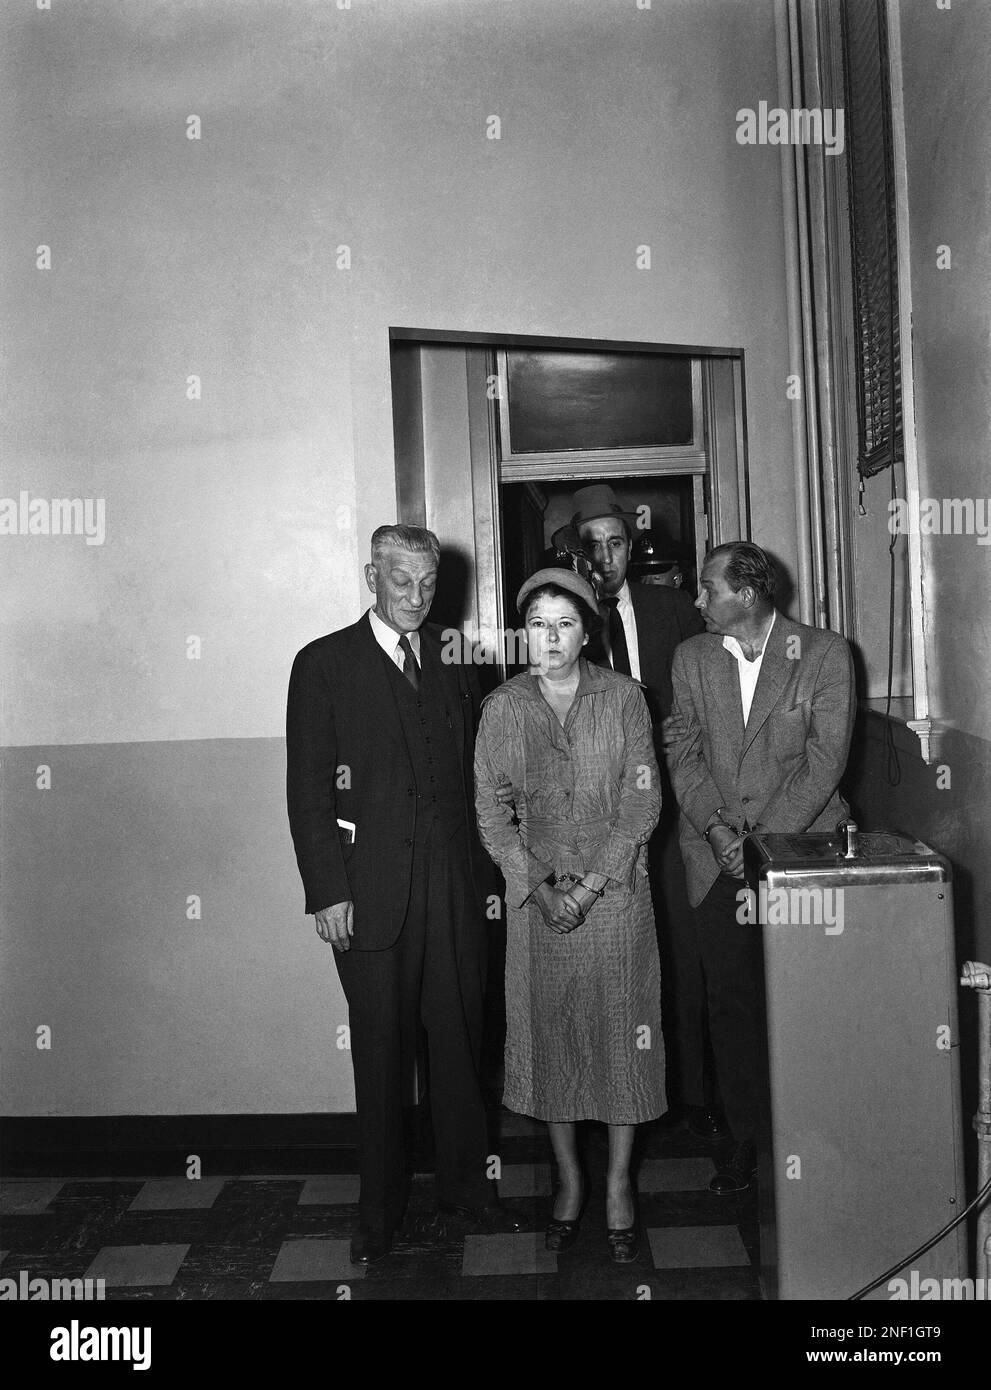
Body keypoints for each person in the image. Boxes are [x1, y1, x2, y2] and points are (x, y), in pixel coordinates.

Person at [286, 524, 521, 1263]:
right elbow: (307, 790)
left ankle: (468, 1191)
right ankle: (378, 1214)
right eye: (400, 583)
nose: (416, 598)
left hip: (455, 890)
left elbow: (478, 778)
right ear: (370, 576)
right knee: (381, 1054)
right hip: (367, 894)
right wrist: (327, 892)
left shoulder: (458, 661)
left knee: (460, 1043)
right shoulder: (322, 664)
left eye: (427, 584)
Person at [474, 568, 664, 1263]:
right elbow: (490, 814)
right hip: (535, 902)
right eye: (536, 624)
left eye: (563, 624)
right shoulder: (502, 708)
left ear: (587, 632)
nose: (549, 639)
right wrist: (537, 886)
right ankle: (569, 1180)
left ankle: (617, 1185)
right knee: (550, 1038)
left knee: (619, 1039)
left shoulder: (624, 700)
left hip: (613, 899)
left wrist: (585, 889)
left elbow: (643, 803)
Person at [665, 541, 855, 1194]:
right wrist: (716, 827)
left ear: (745, 595)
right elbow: (680, 749)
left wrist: (757, 845)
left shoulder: (825, 656)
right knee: (733, 1007)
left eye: (706, 588)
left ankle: (813, 1144)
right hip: (713, 862)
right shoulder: (691, 658)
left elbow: (823, 762)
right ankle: (748, 1144)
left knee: (804, 1004)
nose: (696, 601)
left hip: (799, 857)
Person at [569, 485, 723, 1141]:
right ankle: (608, 1094)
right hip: (595, 825)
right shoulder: (556, 623)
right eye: (591, 547)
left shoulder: (673, 613)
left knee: (683, 956)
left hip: (674, 815)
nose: (604, 558)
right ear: (575, 556)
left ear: (629, 549)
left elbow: (705, 713)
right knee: (609, 961)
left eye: (615, 544)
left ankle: (692, 1097)